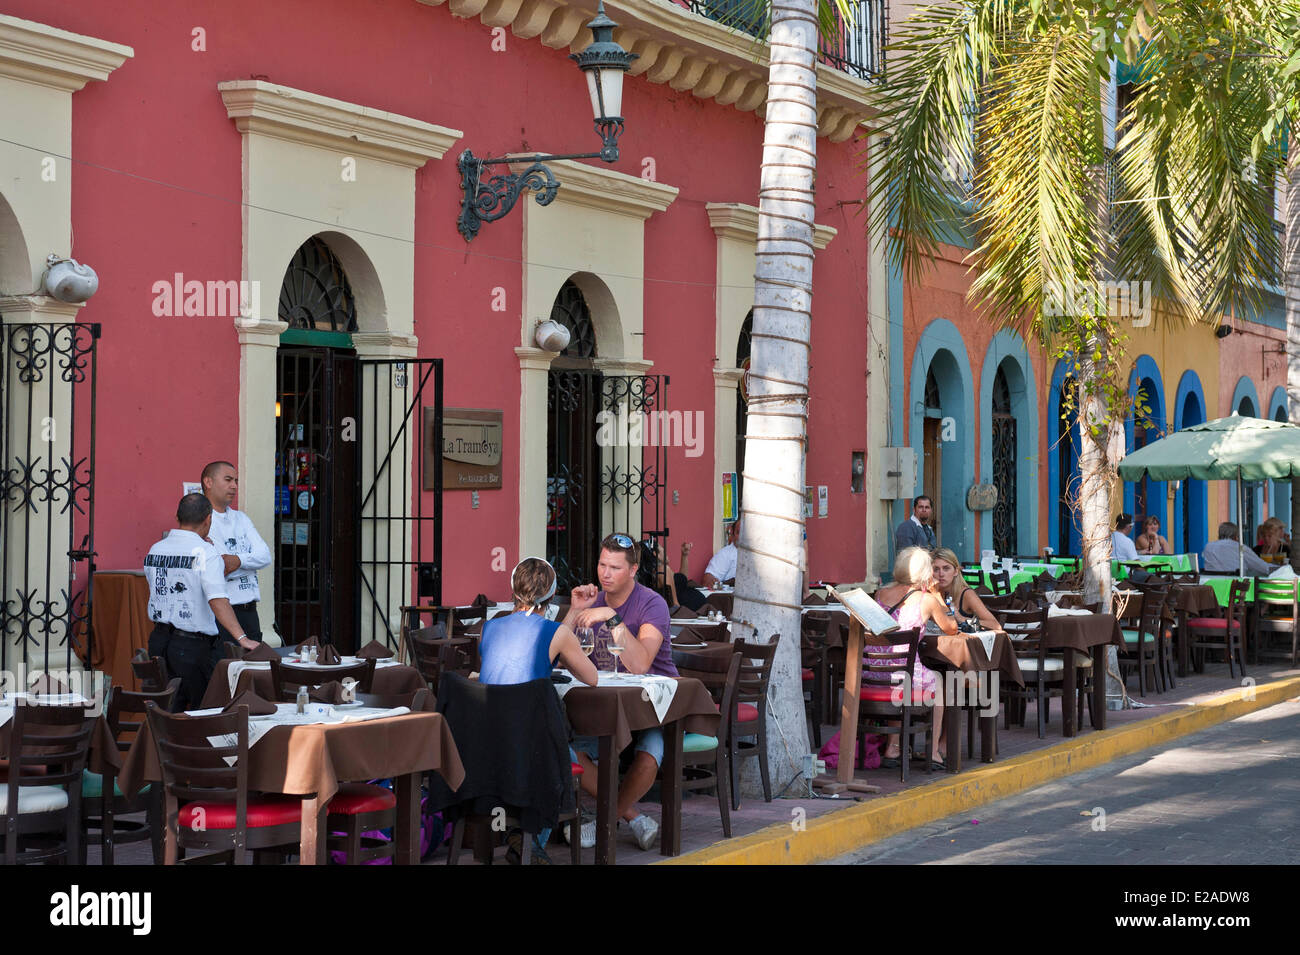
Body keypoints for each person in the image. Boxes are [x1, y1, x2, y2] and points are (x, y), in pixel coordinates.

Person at [478, 557, 597, 864]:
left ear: (513, 588)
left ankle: (521, 840)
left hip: (487, 741)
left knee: (561, 755)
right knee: (562, 760)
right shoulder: (556, 634)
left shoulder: (489, 628)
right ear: (552, 593)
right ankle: (527, 845)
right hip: (530, 747)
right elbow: (591, 677)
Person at [567, 533, 674, 851]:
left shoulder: (651, 604)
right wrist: (574, 612)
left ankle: (602, 823)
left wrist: (613, 618)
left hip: (651, 709)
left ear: (633, 569)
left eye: (614, 567)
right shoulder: (592, 601)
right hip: (605, 708)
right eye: (602, 564)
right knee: (569, 751)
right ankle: (633, 817)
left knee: (648, 756)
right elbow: (561, 656)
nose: (605, 573)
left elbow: (640, 664)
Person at [145, 493, 259, 710]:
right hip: (192, 646)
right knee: (203, 711)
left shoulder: (155, 549)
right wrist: (242, 637)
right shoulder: (206, 553)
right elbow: (217, 599)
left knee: (168, 710)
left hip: (158, 640)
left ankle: (165, 745)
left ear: (177, 516)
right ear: (208, 519)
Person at [871, 547, 959, 768]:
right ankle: (934, 752)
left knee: (897, 673)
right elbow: (951, 628)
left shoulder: (880, 594)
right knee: (939, 682)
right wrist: (938, 598)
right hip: (905, 679)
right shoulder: (926, 600)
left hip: (873, 675)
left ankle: (893, 746)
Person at [201, 461, 272, 644]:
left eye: (236, 480)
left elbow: (264, 555)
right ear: (208, 482)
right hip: (221, 613)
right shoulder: (202, 520)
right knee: (225, 668)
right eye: (228, 479)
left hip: (250, 612)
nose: (234, 485)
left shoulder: (241, 518)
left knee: (253, 667)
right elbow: (220, 566)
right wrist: (247, 562)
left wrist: (238, 561)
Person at [930, 547, 1000, 632]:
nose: (941, 574)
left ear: (956, 571)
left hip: (963, 643)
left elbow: (995, 625)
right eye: (936, 569)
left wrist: (962, 618)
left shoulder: (966, 594)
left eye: (946, 568)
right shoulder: (932, 593)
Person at [1202, 522, 1272, 575]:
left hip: (1212, 585)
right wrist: (1281, 568)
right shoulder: (1240, 548)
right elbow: (1263, 567)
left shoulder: (1208, 546)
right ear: (1236, 536)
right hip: (1236, 587)